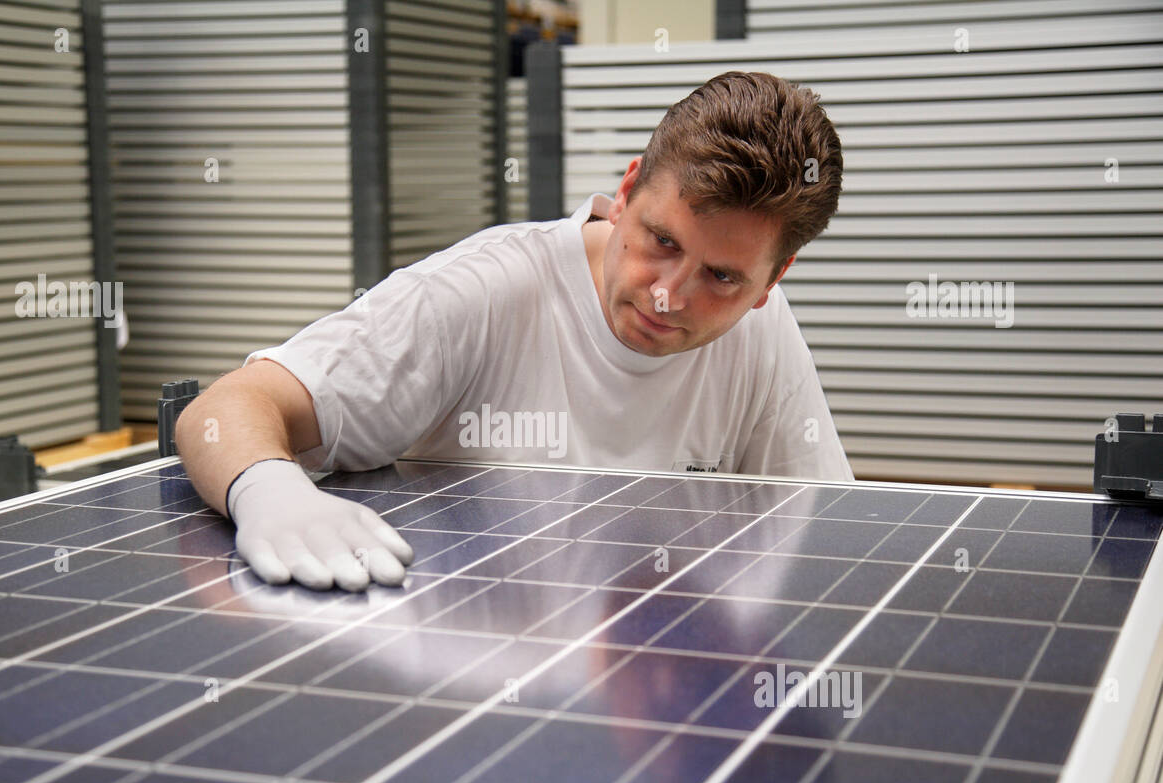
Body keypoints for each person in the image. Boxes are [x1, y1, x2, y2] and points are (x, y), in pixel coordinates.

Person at [176, 71, 852, 592]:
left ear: (773, 279)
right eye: (662, 240)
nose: (669, 293)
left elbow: (823, 535)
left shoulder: (762, 338)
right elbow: (226, 409)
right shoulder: (484, 293)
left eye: (723, 278)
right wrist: (269, 492)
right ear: (628, 189)